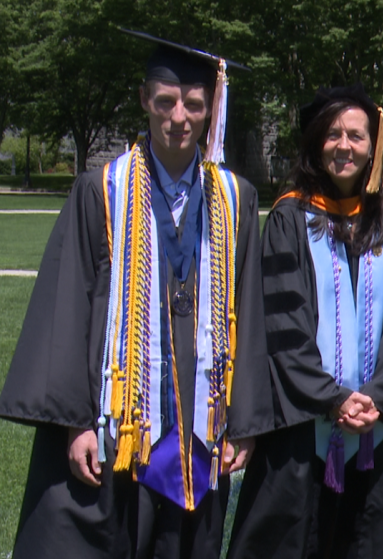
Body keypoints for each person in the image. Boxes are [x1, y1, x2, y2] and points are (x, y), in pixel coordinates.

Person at [0, 30, 271, 558]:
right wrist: (74, 422)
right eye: (166, 102)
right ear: (145, 99)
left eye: (194, 105)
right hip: (117, 425)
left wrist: (243, 423)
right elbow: (67, 307)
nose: (179, 118)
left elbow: (250, 312)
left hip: (200, 429)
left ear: (212, 108)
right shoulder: (101, 191)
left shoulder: (235, 199)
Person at [226, 84, 383, 559]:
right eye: (333, 134)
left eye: (357, 135)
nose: (344, 146)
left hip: (374, 430)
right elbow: (282, 324)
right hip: (300, 433)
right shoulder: (289, 218)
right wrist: (332, 399)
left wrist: (375, 399)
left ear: (374, 146)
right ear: (317, 143)